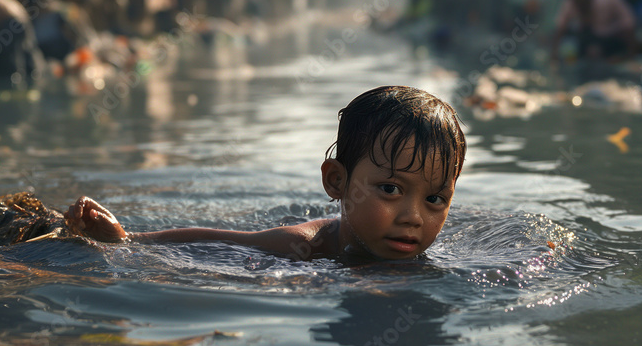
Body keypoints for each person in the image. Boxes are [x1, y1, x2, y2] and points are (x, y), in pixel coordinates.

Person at [65, 86, 467, 262]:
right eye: (391, 189)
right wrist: (129, 239)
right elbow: (219, 242)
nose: (413, 216)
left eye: (435, 199)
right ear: (337, 182)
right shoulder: (306, 248)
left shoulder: (428, 263)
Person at [551, 0, 638, 62]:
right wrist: (554, 54)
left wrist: (632, 55)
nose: (579, 0)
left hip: (612, 41)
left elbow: (629, 24)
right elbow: (560, 28)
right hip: (587, 43)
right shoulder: (570, 3)